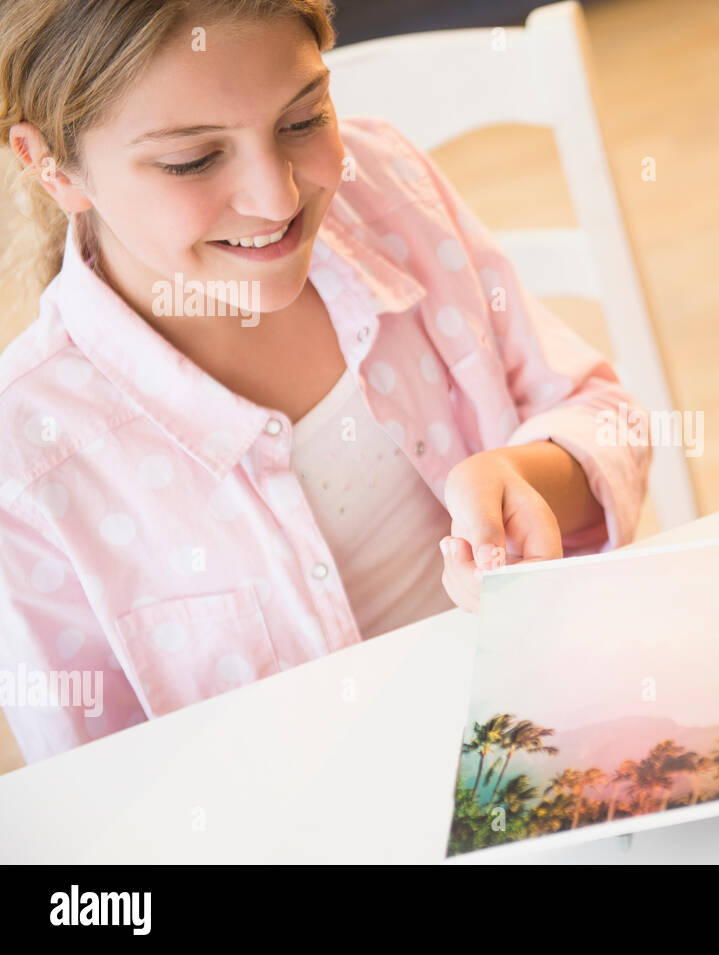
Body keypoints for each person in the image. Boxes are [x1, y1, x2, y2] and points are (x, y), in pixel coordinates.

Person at [0, 0, 651, 764]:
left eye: (303, 120)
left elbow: (605, 416)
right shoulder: (29, 454)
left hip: (541, 738)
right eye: (192, 161)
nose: (276, 200)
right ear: (50, 165)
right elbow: (93, 795)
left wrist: (522, 474)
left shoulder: (390, 188)